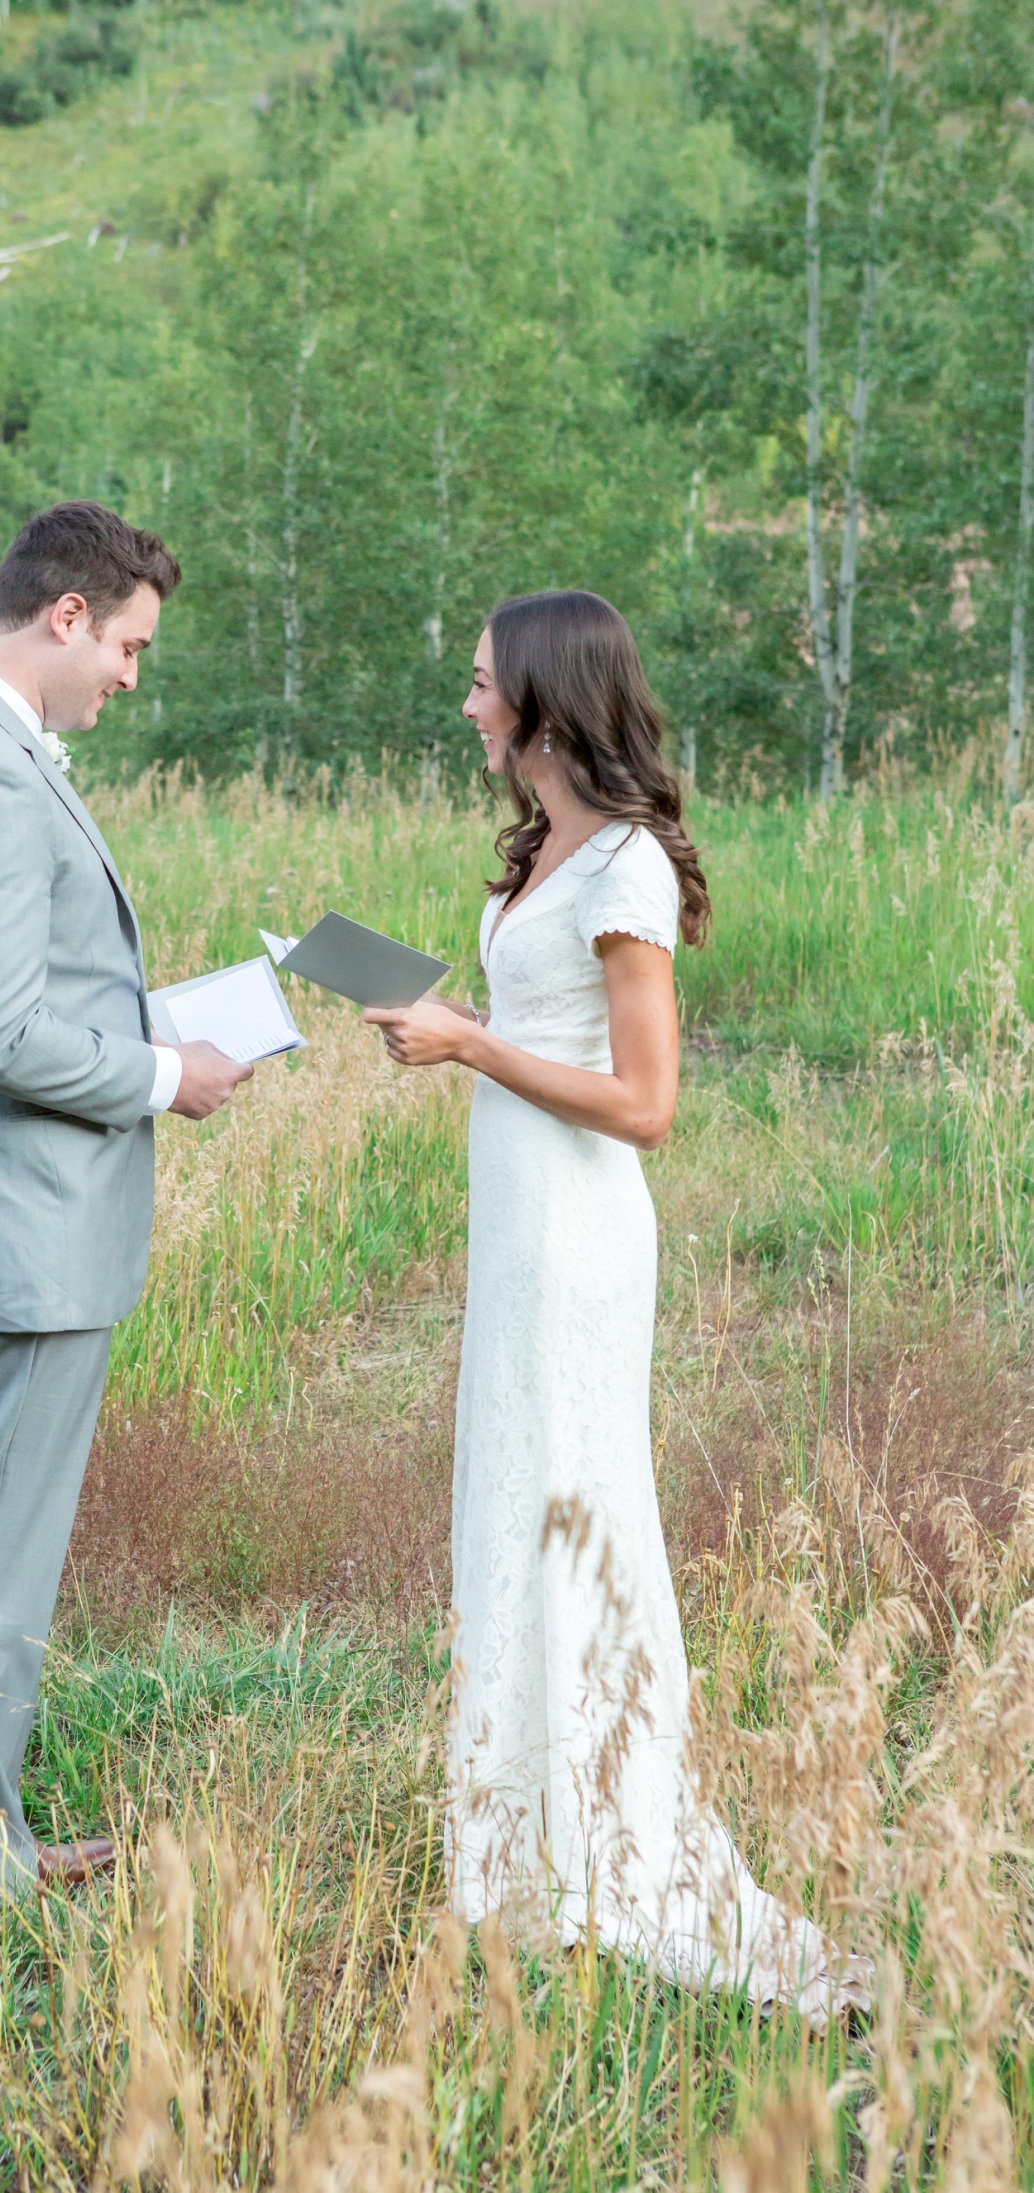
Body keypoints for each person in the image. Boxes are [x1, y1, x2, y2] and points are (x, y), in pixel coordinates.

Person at [365, 590, 871, 2022]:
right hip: (515, 1219)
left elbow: (646, 1104)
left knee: (577, 1502)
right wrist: (460, 1028)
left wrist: (471, 1045)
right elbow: (550, 1035)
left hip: (579, 1233)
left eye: (483, 683)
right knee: (514, 1495)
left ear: (543, 696)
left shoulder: (628, 865)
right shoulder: (545, 844)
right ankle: (519, 1839)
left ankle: (611, 1834)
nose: (468, 704)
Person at [0, 500, 252, 1915]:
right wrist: (164, 1074)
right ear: (66, 614)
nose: (131, 678)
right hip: (20, 1229)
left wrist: (144, 1019)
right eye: (129, 647)